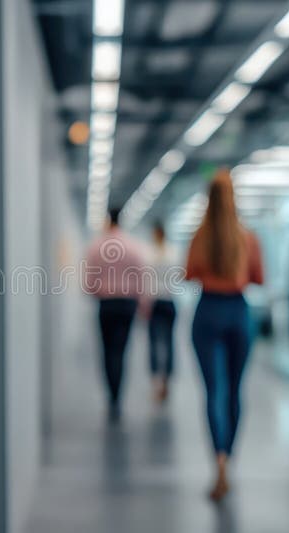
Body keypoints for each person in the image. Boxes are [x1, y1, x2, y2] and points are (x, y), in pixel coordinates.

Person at [185, 169, 264, 501]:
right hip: (237, 312)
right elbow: (258, 278)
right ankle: (228, 457)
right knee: (234, 390)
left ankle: (218, 458)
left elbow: (189, 273)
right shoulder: (247, 238)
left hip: (207, 311)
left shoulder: (199, 238)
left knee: (213, 391)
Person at [84, 208, 146, 422]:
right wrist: (142, 303)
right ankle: (118, 396)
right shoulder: (132, 246)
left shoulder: (97, 246)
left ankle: (112, 396)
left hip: (107, 304)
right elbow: (140, 277)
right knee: (121, 349)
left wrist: (99, 291)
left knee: (107, 350)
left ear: (107, 219)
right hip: (127, 305)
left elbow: (89, 282)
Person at [148, 222, 178, 404]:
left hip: (157, 301)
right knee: (168, 341)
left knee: (154, 342)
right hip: (169, 301)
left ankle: (157, 381)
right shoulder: (173, 253)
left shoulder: (151, 254)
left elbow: (147, 281)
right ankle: (165, 380)